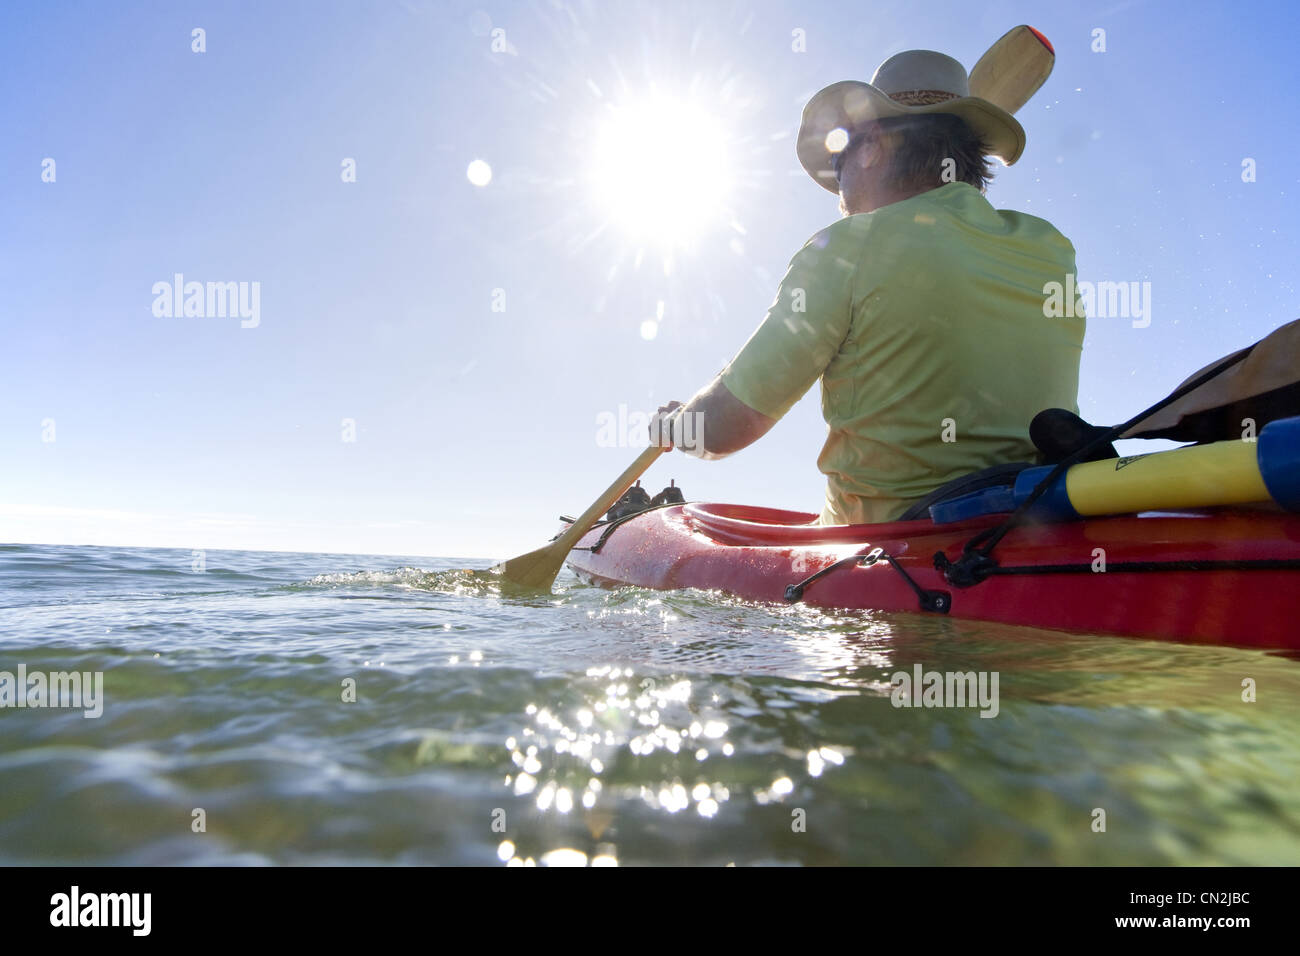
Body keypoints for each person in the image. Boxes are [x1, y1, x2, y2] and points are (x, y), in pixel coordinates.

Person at [649, 49, 1085, 525]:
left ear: (873, 145)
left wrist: (678, 424)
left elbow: (724, 428)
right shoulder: (1050, 246)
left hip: (887, 549)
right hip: (1037, 524)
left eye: (840, 156)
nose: (837, 179)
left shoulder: (844, 248)